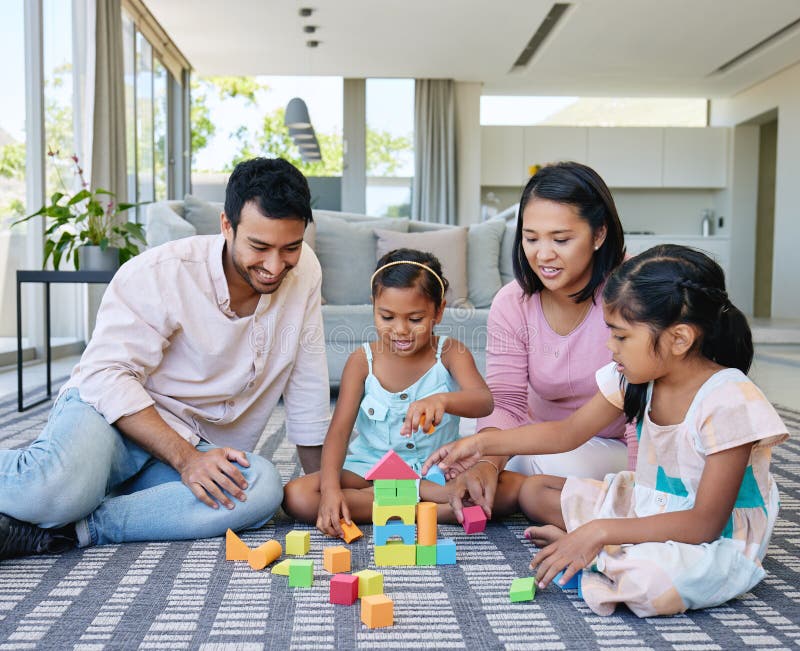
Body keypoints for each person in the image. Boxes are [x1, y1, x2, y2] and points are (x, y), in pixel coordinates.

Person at [424, 245, 788, 617]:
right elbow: (566, 433)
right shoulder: (633, 378)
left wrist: (598, 533)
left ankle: (602, 561)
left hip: (714, 537)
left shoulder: (729, 400)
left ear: (679, 339)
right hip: (650, 504)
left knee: (651, 580)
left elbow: (704, 523)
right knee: (537, 490)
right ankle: (599, 547)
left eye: (621, 336)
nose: (609, 347)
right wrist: (483, 442)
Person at [0, 157, 331, 559]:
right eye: (259, 247)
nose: (275, 266)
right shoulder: (161, 272)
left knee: (261, 488)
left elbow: (307, 380)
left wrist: (323, 486)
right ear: (226, 225)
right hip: (110, 418)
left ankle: (78, 530)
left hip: (196, 441)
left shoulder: (306, 272)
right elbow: (106, 375)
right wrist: (187, 459)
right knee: (49, 492)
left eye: (290, 248)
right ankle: (61, 498)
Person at [446, 161, 635, 523]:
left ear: (599, 235)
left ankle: (518, 491)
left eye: (561, 240)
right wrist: (487, 461)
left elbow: (648, 411)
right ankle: (517, 490)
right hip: (534, 439)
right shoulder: (512, 302)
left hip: (617, 445)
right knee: (472, 458)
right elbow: (507, 402)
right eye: (531, 238)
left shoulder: (632, 292)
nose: (543, 255)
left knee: (534, 461)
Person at [282, 248, 518, 536]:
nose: (401, 330)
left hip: (437, 470)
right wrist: (331, 491)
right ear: (374, 307)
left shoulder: (451, 352)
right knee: (298, 495)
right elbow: (339, 433)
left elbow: (484, 401)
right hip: (370, 470)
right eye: (387, 317)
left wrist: (443, 399)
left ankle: (402, 503)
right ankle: (434, 506)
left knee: (505, 491)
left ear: (439, 311)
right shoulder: (361, 361)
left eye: (415, 319)